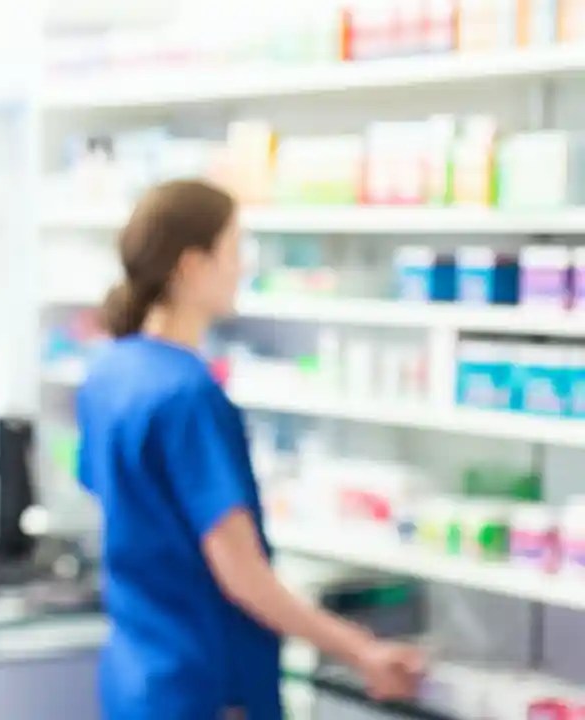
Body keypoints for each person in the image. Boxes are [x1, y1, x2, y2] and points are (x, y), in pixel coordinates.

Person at [75, 179, 424, 719]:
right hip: (206, 686)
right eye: (234, 251)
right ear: (192, 266)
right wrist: (362, 650)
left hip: (138, 679)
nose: (242, 267)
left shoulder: (111, 372)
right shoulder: (187, 394)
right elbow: (242, 577)